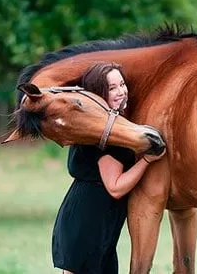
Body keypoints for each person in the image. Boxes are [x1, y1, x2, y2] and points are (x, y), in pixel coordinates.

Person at [52, 62, 166, 274]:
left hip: (96, 220)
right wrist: (148, 160)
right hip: (88, 221)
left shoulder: (108, 126)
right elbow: (115, 187)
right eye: (112, 88)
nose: (121, 91)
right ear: (98, 95)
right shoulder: (106, 135)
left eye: (122, 84)